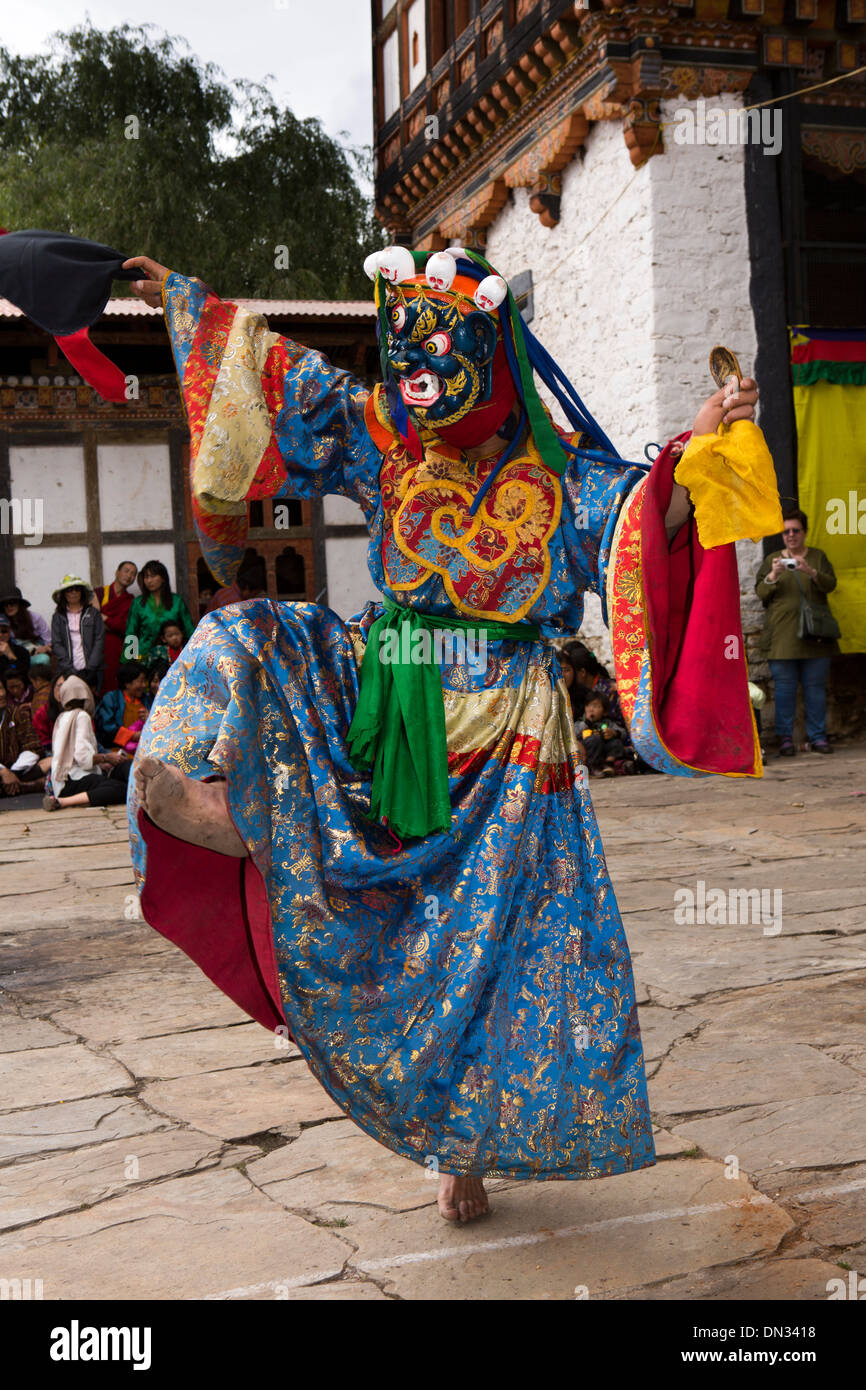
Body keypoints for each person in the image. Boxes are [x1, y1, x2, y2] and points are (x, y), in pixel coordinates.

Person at [124, 245, 775, 1225]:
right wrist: (186, 303)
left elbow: (646, 518)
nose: (417, 370)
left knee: (487, 945)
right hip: (397, 703)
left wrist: (699, 440)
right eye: (406, 349)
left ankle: (454, 1139)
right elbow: (279, 383)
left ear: (485, 347)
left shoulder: (552, 474)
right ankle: (226, 794)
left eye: (439, 346)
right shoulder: (385, 447)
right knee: (248, 631)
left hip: (515, 736)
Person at [755, 508, 839, 755]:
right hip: (782, 638)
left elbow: (830, 585)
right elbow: (761, 593)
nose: (791, 535)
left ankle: (818, 737)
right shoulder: (772, 560)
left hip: (816, 637)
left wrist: (810, 572)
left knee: (815, 689)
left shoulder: (817, 557)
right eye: (786, 531)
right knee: (784, 690)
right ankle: (785, 740)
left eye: (796, 531)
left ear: (804, 532)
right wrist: (773, 574)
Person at [43, 676, 130, 810]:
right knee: (121, 789)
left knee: (122, 770)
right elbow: (83, 757)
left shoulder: (61, 717)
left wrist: (103, 762)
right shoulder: (82, 716)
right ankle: (62, 802)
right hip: (74, 780)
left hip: (62, 782)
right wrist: (106, 757)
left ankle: (74, 799)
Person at [125, 561, 194, 665]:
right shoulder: (138, 603)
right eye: (146, 577)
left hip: (174, 657)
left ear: (163, 578)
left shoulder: (177, 601)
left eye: (153, 576)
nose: (149, 581)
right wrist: (129, 661)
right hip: (143, 656)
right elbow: (131, 633)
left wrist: (196, 653)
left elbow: (189, 629)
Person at [51, 575, 105, 689]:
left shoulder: (94, 613)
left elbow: (99, 639)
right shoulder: (57, 616)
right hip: (67, 669)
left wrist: (90, 667)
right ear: (64, 594)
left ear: (82, 592)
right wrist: (69, 668)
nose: (74, 593)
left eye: (77, 589)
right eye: (70, 590)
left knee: (92, 702)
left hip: (93, 669)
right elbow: (56, 643)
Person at [0, 678, 49, 796]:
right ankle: (22, 786)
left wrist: (13, 773)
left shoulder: (17, 714)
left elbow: (33, 747)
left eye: (1, 688)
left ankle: (12, 785)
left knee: (49, 762)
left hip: (19, 770)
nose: (1, 694)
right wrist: (3, 771)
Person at [94, 561, 138, 692]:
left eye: (133, 574)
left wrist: (105, 618)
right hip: (98, 646)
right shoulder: (99, 593)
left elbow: (127, 627)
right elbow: (93, 623)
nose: (129, 575)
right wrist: (112, 624)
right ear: (117, 572)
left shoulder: (131, 601)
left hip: (119, 647)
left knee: (116, 683)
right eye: (126, 571)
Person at [96, 661, 149, 753]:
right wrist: (133, 736)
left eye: (145, 681)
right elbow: (107, 727)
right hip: (116, 752)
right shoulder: (112, 698)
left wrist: (150, 718)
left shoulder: (146, 700)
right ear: (127, 683)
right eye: (141, 681)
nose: (144, 685)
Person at [575, 692, 629, 776]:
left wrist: (613, 733)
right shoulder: (580, 722)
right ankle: (593, 767)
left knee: (616, 742)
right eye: (588, 706)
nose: (591, 709)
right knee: (595, 739)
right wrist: (587, 722)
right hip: (588, 753)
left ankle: (609, 764)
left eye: (596, 706)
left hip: (603, 752)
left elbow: (623, 732)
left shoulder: (607, 722)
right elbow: (574, 733)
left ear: (605, 712)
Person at [0, 586, 52, 655]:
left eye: (12, 603)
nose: (9, 607)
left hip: (36, 652)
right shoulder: (2, 620)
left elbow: (48, 640)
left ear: (19, 604)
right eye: (5, 604)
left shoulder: (35, 618)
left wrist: (44, 648)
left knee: (42, 659)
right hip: (13, 653)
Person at [33, 673, 66, 755]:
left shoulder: (81, 713)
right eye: (59, 686)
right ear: (53, 688)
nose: (62, 690)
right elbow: (41, 743)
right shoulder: (42, 713)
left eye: (67, 686)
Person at [0, 615, 31, 682]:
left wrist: (11, 656)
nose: (0, 635)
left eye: (4, 631)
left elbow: (23, 676)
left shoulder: (21, 651)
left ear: (9, 632)